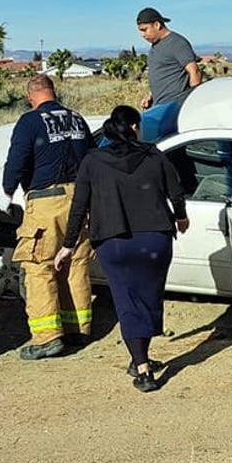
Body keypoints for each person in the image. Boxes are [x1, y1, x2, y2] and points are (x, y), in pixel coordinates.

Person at [54, 106, 188, 392]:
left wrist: (68, 245)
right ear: (136, 126)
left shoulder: (92, 161)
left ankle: (142, 368)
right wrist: (180, 217)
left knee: (127, 303)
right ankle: (141, 355)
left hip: (113, 243)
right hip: (155, 240)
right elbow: (175, 190)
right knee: (149, 299)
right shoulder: (153, 154)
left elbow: (79, 206)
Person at [0, 74, 96, 360]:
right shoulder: (77, 119)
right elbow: (91, 156)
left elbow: (17, 159)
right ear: (54, 92)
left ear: (31, 97)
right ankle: (78, 327)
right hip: (81, 199)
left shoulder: (29, 122)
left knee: (38, 266)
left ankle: (46, 338)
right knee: (75, 262)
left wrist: (7, 193)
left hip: (46, 202)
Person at [136, 7, 201, 141]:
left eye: (144, 30)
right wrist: (150, 95)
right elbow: (163, 74)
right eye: (140, 31)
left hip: (172, 110)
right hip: (159, 108)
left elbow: (194, 70)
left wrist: (194, 102)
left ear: (157, 25)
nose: (142, 35)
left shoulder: (177, 43)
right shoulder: (156, 46)